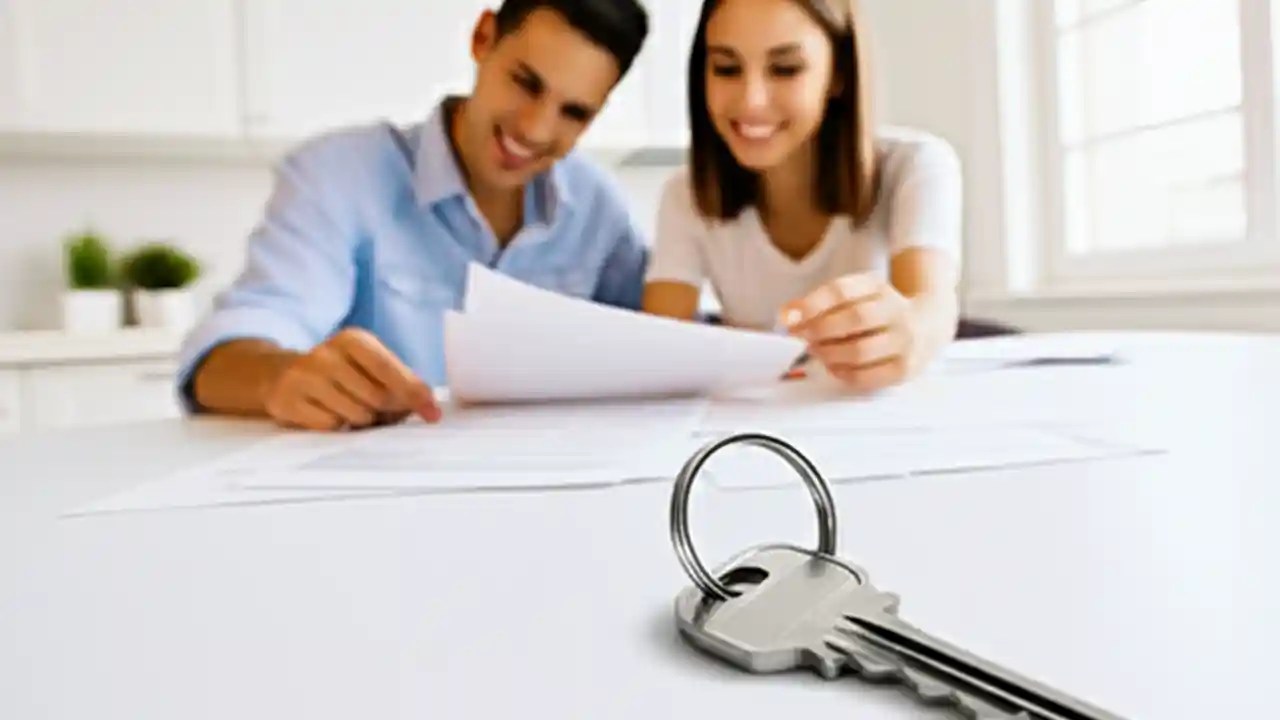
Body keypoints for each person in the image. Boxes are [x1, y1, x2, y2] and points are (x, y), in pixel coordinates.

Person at [178, 0, 650, 431]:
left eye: (574, 113)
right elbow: (236, 342)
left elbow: (666, 340)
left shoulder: (597, 209)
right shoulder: (339, 175)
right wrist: (277, 377)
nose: (535, 128)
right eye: (525, 83)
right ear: (483, 38)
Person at [643, 0, 962, 393]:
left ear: (838, 74)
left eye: (785, 69)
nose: (751, 101)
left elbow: (931, 306)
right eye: (726, 68)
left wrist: (911, 333)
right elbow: (658, 350)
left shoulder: (915, 165)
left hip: (873, 413)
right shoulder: (684, 195)